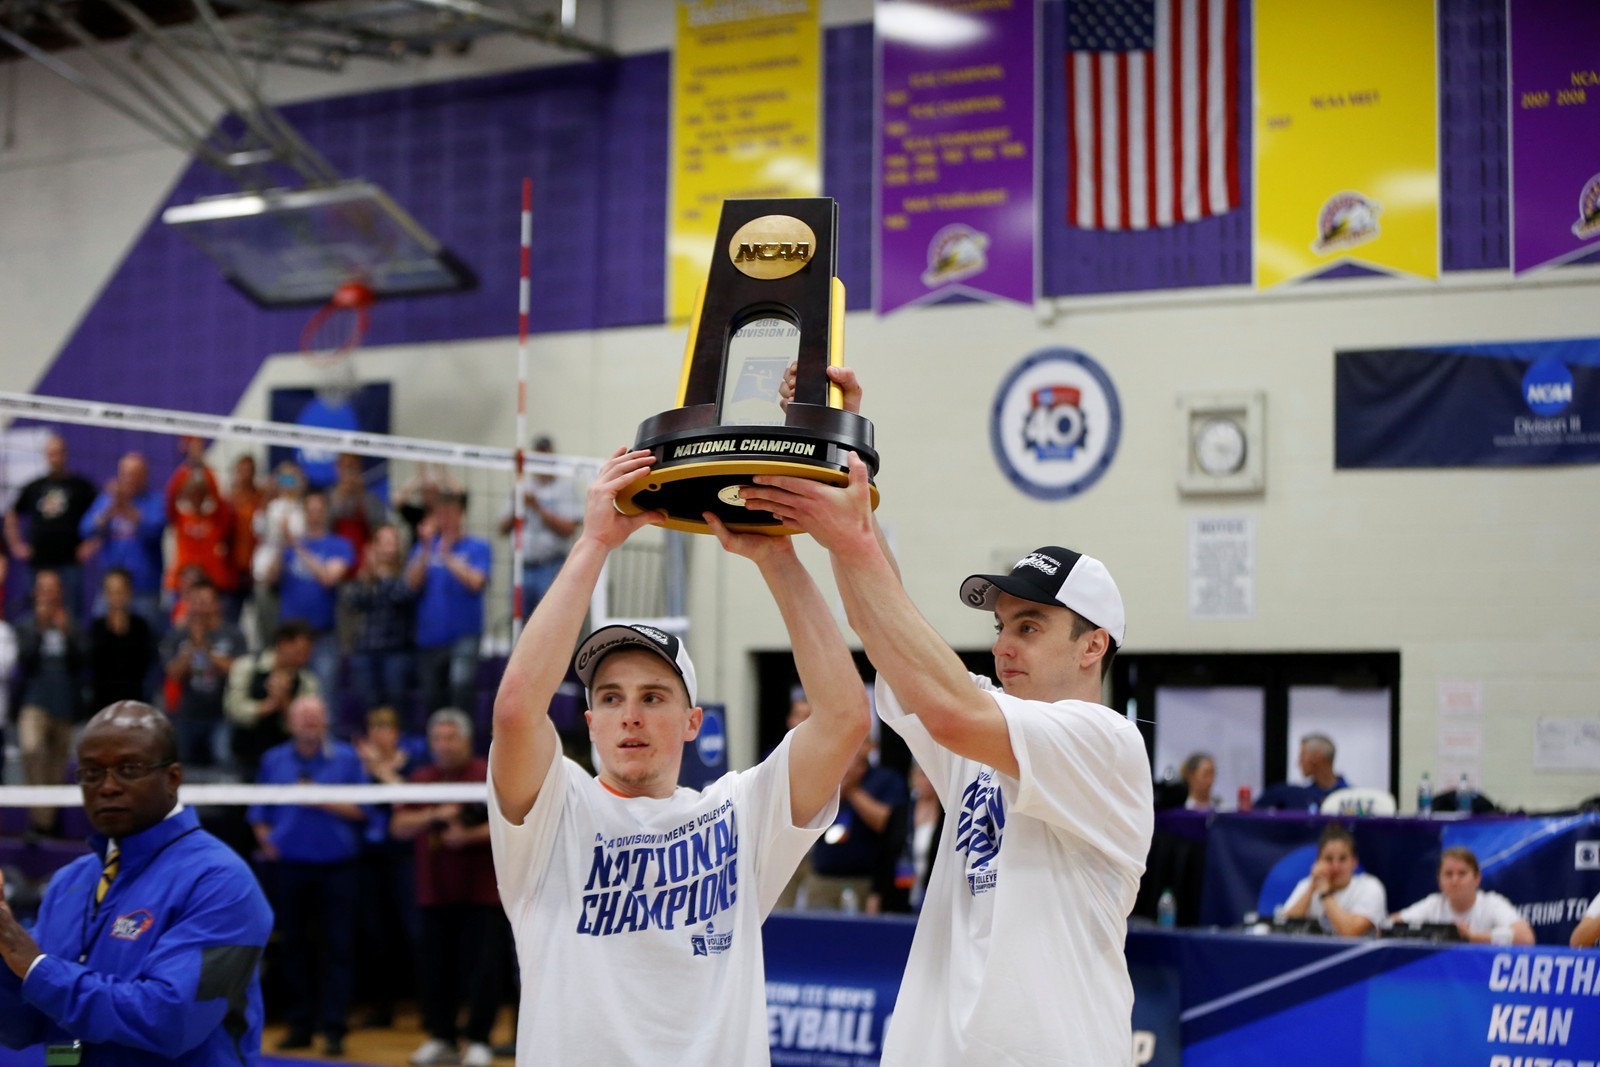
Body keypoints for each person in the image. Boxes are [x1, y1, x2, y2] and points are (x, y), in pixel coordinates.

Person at [740, 364, 1153, 1067]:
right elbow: (894, 641)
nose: (1002, 643)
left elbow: (946, 704)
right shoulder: (987, 725)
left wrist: (853, 537)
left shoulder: (1105, 743)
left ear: (1094, 645)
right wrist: (847, 465)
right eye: (1000, 625)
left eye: (1028, 626)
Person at [486, 447, 869, 1064]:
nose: (630, 714)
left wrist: (777, 557)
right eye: (610, 698)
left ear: (693, 722)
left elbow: (846, 718)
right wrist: (592, 545)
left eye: (653, 696)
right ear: (589, 722)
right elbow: (514, 712)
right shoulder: (557, 806)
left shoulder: (738, 812)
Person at [0, 701, 273, 1064]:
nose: (107, 787)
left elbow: (171, 1021)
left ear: (173, 778)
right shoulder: (71, 881)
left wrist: (34, 965)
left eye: (128, 768)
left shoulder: (221, 882)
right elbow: (26, 1025)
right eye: (91, 772)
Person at [248, 694, 368, 1057]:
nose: (309, 724)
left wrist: (320, 797)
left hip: (339, 866)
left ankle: (333, 1028)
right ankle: (299, 1024)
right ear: (291, 722)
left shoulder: (347, 759)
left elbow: (365, 811)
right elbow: (257, 813)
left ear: (326, 721)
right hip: (291, 866)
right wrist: (270, 844)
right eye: (303, 718)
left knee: (338, 948)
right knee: (293, 946)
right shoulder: (274, 759)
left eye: (315, 718)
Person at [392, 709, 504, 1067]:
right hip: (434, 890)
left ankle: (479, 1040)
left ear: (467, 740)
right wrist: (436, 814)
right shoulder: (422, 779)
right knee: (434, 970)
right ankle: (441, 1037)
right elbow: (399, 827)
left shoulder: (486, 774)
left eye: (450, 737)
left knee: (483, 969)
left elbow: (514, 821)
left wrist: (468, 835)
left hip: (484, 891)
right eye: (437, 738)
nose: (443, 745)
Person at [262, 489, 353, 709]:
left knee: (325, 697)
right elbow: (269, 578)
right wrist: (282, 544)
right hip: (289, 638)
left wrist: (297, 546)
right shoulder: (289, 547)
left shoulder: (338, 545)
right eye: (309, 510)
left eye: (318, 509)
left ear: (326, 512)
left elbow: (328, 578)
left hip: (322, 636)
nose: (314, 514)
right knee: (286, 696)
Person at [15, 569, 88, 835]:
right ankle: (38, 822)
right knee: (33, 751)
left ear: (60, 592)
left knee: (57, 767)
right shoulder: (25, 624)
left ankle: (48, 824)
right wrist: (41, 627)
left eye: (52, 588)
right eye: (42, 588)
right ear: (35, 592)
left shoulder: (72, 623)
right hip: (34, 702)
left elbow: (83, 660)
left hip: (65, 704)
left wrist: (66, 631)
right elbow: (24, 660)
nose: (47, 593)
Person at [799, 735, 908, 911]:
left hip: (864, 879)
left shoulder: (886, 779)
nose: (855, 746)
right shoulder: (827, 775)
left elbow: (886, 823)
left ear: (873, 747)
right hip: (823, 877)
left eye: (862, 741)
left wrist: (853, 789)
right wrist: (841, 784)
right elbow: (806, 816)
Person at [407, 490, 489, 718]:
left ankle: (462, 744)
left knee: (460, 685)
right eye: (440, 514)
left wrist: (446, 555)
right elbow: (412, 583)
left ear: (461, 515)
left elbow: (476, 582)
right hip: (429, 636)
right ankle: (438, 748)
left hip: (465, 634)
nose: (445, 520)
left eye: (450, 514)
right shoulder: (422, 549)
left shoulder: (477, 547)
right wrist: (426, 548)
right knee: (432, 695)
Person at [5, 433, 97, 617]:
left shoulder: (81, 486)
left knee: (71, 615)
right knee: (36, 614)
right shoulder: (34, 487)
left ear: (66, 454)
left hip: (69, 561)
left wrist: (92, 544)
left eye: (59, 452)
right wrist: (16, 545)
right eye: (52, 453)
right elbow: (12, 513)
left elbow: (101, 515)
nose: (56, 458)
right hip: (38, 562)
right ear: (46, 456)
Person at [161, 579, 248, 769]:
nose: (200, 609)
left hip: (222, 713)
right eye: (195, 602)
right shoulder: (178, 635)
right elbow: (173, 673)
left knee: (223, 760)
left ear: (216, 604)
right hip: (187, 713)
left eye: (205, 602)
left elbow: (239, 670)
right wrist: (192, 647)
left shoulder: (233, 634)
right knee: (181, 764)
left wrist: (208, 651)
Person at [498, 435, 582, 618]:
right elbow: (502, 528)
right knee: (519, 621)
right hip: (521, 567)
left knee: (551, 619)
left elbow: (568, 529)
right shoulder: (522, 486)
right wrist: (518, 505)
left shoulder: (565, 488)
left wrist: (536, 507)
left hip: (551, 567)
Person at [79, 452, 166, 626]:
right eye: (126, 474)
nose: (129, 479)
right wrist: (110, 509)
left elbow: (154, 531)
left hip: (144, 590)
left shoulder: (156, 501)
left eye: (134, 474)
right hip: (111, 590)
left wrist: (127, 506)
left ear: (145, 475)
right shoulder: (106, 501)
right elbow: (85, 530)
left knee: (146, 639)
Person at [226, 621, 320, 778]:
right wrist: (269, 704)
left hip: (286, 758)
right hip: (246, 751)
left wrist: (284, 701)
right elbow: (234, 708)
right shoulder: (246, 666)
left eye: (307, 654)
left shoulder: (306, 681)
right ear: (283, 644)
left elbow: (305, 725)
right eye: (299, 652)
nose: (302, 659)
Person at [342, 523, 415, 720]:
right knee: (368, 702)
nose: (387, 548)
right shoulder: (365, 577)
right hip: (365, 649)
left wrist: (383, 575)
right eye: (382, 542)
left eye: (391, 542)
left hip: (396, 650)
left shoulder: (406, 572)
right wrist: (367, 576)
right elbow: (352, 601)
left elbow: (403, 596)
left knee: (396, 703)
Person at [1388, 846, 1533, 944]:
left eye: (1462, 873)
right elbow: (1388, 926)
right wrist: (1437, 933)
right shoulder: (1433, 904)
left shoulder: (1492, 903)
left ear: (1477, 879)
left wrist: (1472, 937)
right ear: (1439, 881)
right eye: (1448, 874)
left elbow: (1526, 938)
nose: (1455, 880)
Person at [1279, 823, 1387, 936]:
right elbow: (1284, 928)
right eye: (1328, 859)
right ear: (1318, 861)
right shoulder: (1306, 886)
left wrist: (1325, 894)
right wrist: (1311, 888)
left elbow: (1350, 933)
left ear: (1354, 862)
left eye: (1342, 859)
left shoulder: (1370, 887)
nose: (1335, 866)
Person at [87, 567, 158, 710]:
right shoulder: (96, 628)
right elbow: (93, 666)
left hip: (135, 706)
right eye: (111, 592)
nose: (116, 597)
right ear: (104, 594)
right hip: (102, 708)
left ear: (129, 593)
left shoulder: (141, 627)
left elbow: (146, 666)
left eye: (120, 591)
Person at [1257, 734, 1349, 811]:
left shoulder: (1349, 798)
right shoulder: (1303, 797)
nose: (1298, 763)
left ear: (1317, 757)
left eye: (1302, 755)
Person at [328, 453, 390, 566]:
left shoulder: (371, 498)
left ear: (359, 469)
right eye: (345, 467)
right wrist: (340, 497)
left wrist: (361, 495)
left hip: (364, 561)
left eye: (352, 467)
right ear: (337, 469)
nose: (348, 473)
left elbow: (379, 528)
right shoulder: (327, 498)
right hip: (334, 559)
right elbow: (324, 528)